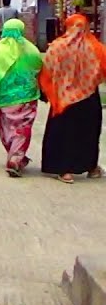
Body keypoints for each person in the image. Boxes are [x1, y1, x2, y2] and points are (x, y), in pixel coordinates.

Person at [37, 13, 106, 183]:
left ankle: (63, 170)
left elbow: (47, 70)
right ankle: (91, 167)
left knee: (63, 133)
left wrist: (48, 91)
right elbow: (103, 69)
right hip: (88, 97)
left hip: (63, 99)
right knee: (88, 133)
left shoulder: (57, 47)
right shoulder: (95, 47)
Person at [0, 18, 44, 177]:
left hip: (4, 99)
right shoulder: (31, 50)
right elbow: (39, 68)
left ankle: (14, 155)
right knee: (23, 128)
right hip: (26, 98)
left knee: (7, 127)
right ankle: (16, 157)